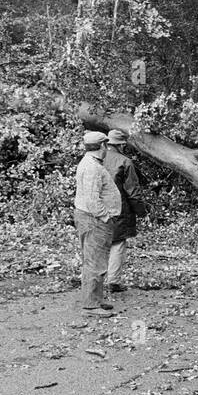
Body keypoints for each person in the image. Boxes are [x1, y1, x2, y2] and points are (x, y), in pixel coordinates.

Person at [74, 130, 122, 316]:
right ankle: (91, 305)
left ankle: (95, 299)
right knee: (95, 262)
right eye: (106, 146)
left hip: (91, 218)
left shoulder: (89, 163)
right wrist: (106, 216)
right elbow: (93, 200)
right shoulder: (92, 167)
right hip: (95, 220)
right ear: (102, 146)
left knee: (95, 260)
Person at [102, 128, 148, 293]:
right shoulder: (125, 162)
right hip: (120, 209)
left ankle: (97, 279)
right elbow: (133, 192)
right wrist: (142, 212)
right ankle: (113, 281)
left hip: (98, 208)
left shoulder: (97, 158)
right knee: (118, 243)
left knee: (100, 243)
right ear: (121, 145)